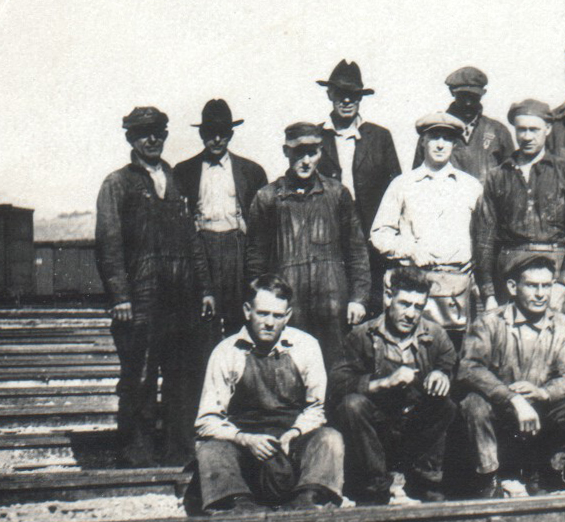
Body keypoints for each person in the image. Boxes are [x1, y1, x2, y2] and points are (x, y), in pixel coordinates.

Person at [96, 106, 215, 467]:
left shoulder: (175, 180)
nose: (153, 139)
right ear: (130, 138)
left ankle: (180, 450)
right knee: (140, 377)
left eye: (159, 132)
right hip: (142, 296)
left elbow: (193, 239)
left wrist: (206, 288)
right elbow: (109, 243)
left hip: (181, 295)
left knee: (183, 377)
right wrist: (121, 297)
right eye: (144, 133)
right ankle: (137, 452)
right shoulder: (117, 183)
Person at [189, 275, 344, 514]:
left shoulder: (306, 346)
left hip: (291, 446)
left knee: (330, 438)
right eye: (263, 314)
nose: (269, 323)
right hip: (246, 453)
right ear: (247, 311)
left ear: (288, 316)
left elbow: (317, 409)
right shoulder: (226, 352)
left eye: (277, 316)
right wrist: (245, 439)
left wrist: (294, 433)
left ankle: (307, 500)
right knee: (209, 449)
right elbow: (206, 420)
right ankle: (239, 505)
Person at [458, 255, 565, 497]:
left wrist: (543, 393)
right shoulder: (489, 322)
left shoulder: (562, 324)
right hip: (500, 408)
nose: (540, 294)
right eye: (532, 285)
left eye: (546, 286)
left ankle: (547, 473)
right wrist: (512, 398)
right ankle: (489, 479)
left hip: (541, 409)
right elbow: (468, 368)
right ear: (513, 288)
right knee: (473, 405)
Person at [245, 122, 370, 369]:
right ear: (285, 151)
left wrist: (359, 298)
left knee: (336, 369)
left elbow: (356, 250)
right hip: (290, 305)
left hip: (333, 303)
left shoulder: (337, 194)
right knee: (290, 366)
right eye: (298, 153)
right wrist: (262, 304)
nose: (305, 160)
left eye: (312, 153)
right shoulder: (268, 197)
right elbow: (255, 261)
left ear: (321, 153)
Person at [329, 268, 459, 504]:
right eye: (405, 304)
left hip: (415, 431)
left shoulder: (436, 335)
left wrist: (442, 374)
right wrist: (382, 383)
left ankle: (425, 482)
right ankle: (376, 486)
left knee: (446, 405)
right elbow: (337, 384)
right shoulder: (362, 335)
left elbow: (451, 364)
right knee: (352, 405)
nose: (411, 314)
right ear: (389, 298)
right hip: (378, 432)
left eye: (418, 307)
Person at [471, 99, 565, 320]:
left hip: (555, 273)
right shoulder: (498, 176)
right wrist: (488, 293)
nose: (526, 137)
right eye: (521, 130)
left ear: (548, 129)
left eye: (533, 130)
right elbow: (485, 239)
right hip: (509, 274)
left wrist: (563, 284)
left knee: (556, 345)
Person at [370, 112, 485, 341]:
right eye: (434, 137)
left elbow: (484, 238)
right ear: (423, 141)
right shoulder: (403, 185)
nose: (440, 144)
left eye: (447, 138)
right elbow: (379, 234)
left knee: (456, 358)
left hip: (457, 288)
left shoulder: (470, 186)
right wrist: (410, 249)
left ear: (454, 143)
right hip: (413, 286)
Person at [172, 98, 269, 344]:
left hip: (237, 249)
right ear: (202, 134)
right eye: (211, 133)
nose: (217, 139)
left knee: (241, 318)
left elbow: (262, 226)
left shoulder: (252, 171)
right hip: (201, 250)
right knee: (202, 320)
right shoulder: (183, 171)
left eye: (222, 133)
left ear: (231, 134)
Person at [316, 59, 402, 314]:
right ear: (330, 94)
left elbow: (395, 189)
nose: (346, 101)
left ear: (360, 98)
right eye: (341, 94)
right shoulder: (316, 137)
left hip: (371, 239)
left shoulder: (379, 137)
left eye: (353, 95)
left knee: (373, 305)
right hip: (329, 237)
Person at [413, 66, 516, 180]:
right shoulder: (432, 131)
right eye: (463, 96)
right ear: (452, 92)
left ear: (483, 94)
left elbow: (511, 179)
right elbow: (417, 177)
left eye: (474, 97)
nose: (468, 103)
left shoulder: (498, 131)